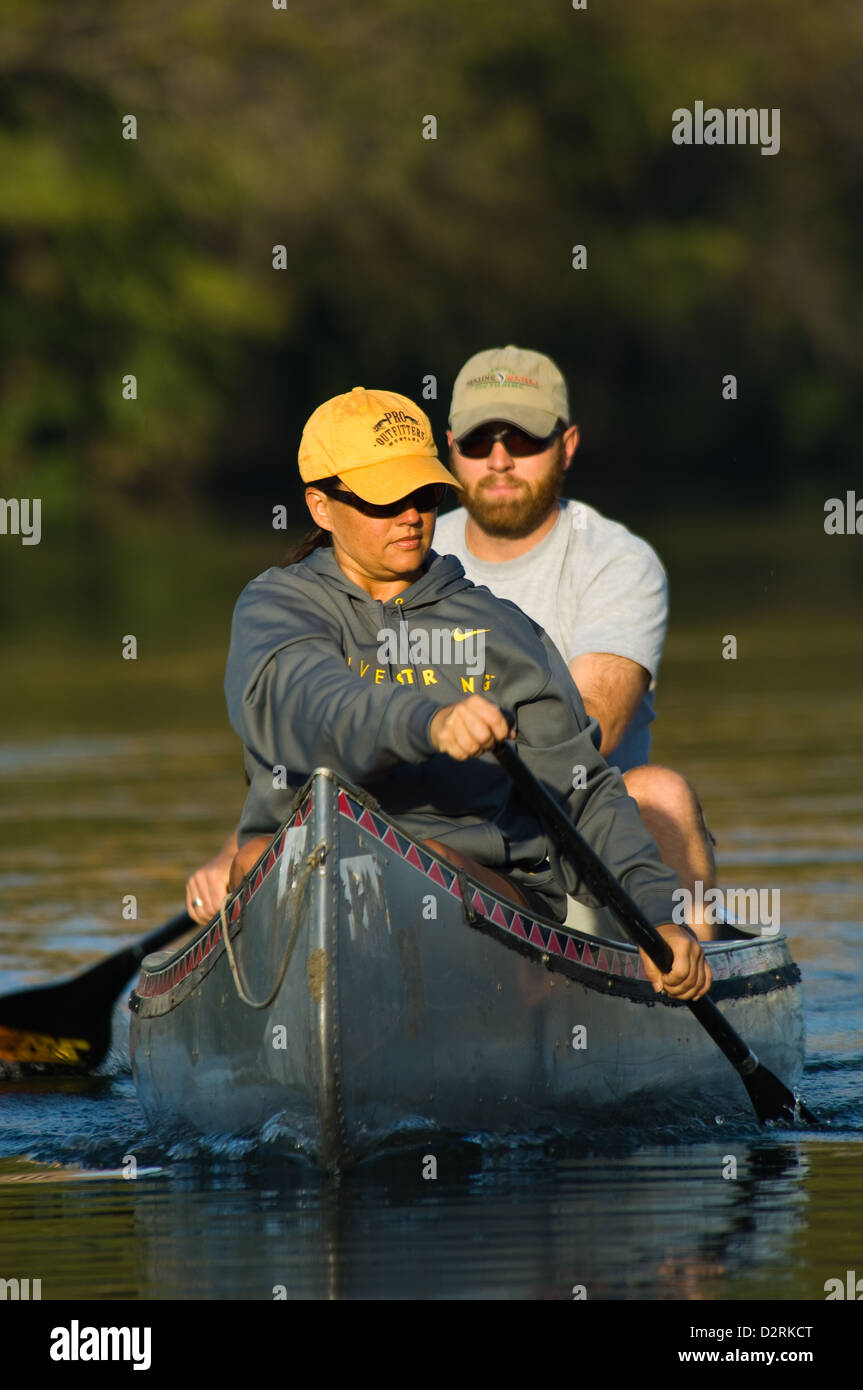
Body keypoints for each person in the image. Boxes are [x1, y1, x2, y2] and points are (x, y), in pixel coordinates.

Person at [212, 385, 709, 1001]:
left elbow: (585, 793)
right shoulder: (275, 607)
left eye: (423, 493)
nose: (411, 515)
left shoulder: (502, 631)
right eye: (383, 499)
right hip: (313, 876)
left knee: (417, 866)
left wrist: (660, 913)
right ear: (320, 506)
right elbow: (309, 706)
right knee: (257, 857)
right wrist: (430, 723)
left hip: (482, 893)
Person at [434, 345, 718, 937]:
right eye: (481, 441)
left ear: (567, 446)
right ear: (451, 447)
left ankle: (679, 969)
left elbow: (594, 728)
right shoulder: (407, 552)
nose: (500, 460)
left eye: (525, 440)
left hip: (588, 839)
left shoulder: (619, 561)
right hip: (447, 829)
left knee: (659, 791)